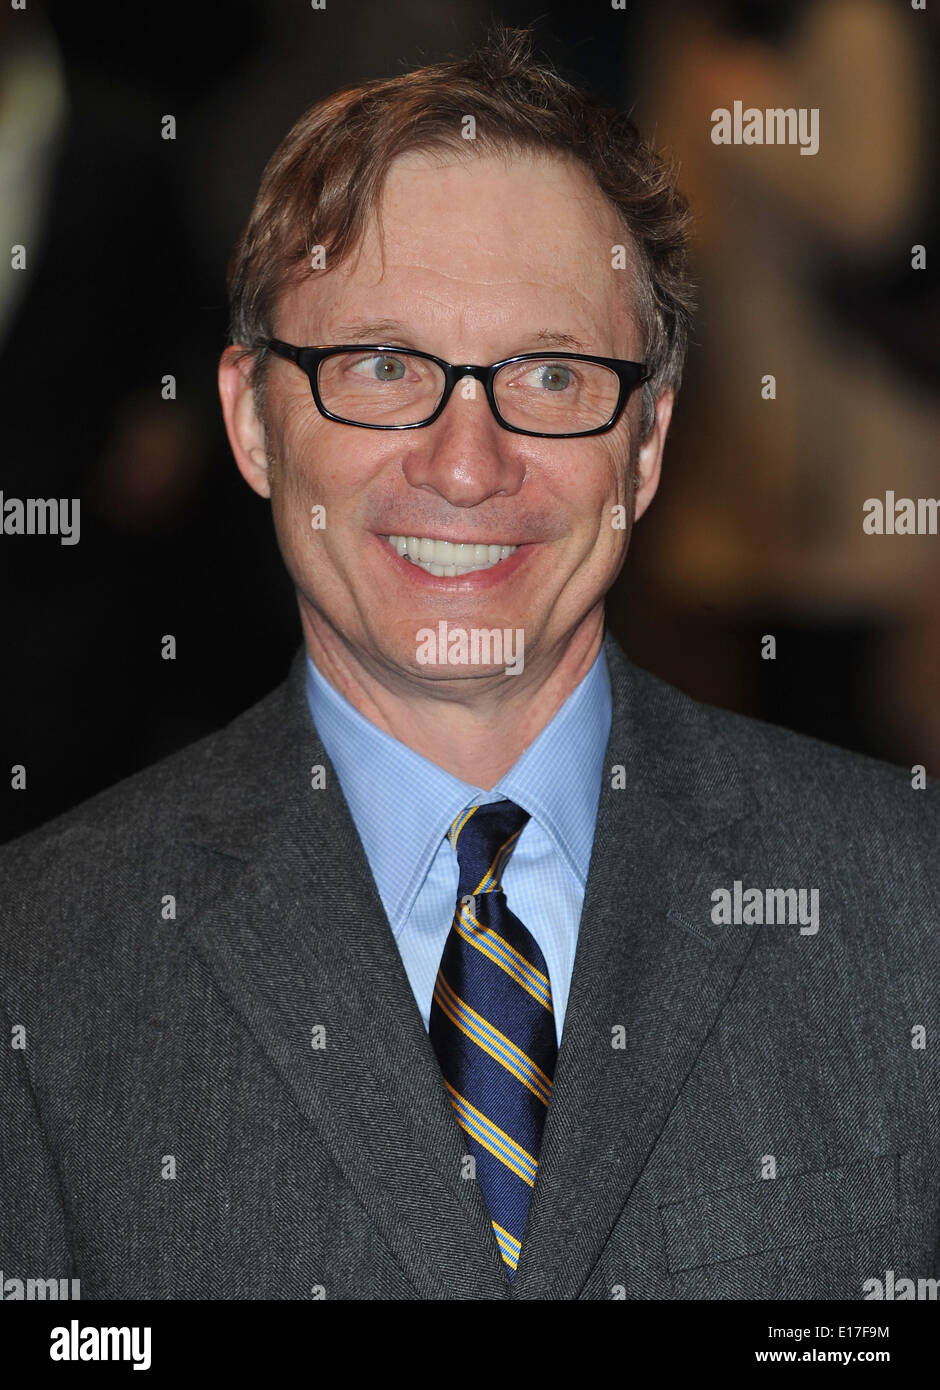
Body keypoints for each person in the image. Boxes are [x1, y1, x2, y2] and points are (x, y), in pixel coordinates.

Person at [1, 27, 937, 1302]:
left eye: (549, 374)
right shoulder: (42, 964)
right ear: (249, 420)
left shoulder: (905, 907)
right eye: (383, 366)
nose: (463, 461)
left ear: (647, 441)